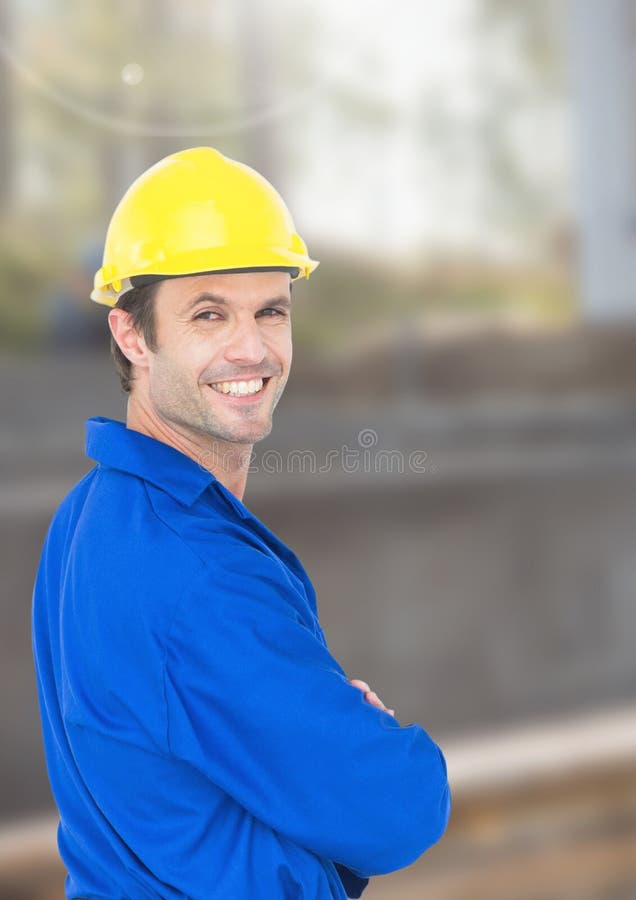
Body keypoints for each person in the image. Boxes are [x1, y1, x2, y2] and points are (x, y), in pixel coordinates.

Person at [32, 147, 450, 900]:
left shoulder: (90, 514)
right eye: (209, 314)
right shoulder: (198, 574)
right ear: (131, 334)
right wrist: (365, 744)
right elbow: (400, 809)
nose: (251, 348)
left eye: (270, 310)